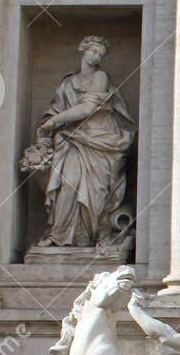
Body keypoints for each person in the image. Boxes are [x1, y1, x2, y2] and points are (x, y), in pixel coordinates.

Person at [35, 36, 135, 248]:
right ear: (83, 50)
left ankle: (91, 236)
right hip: (73, 140)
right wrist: (49, 123)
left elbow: (86, 109)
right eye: (93, 51)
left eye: (100, 54)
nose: (96, 56)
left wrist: (54, 122)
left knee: (97, 192)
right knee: (68, 183)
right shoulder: (67, 83)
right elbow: (55, 109)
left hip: (101, 139)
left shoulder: (100, 77)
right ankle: (60, 234)